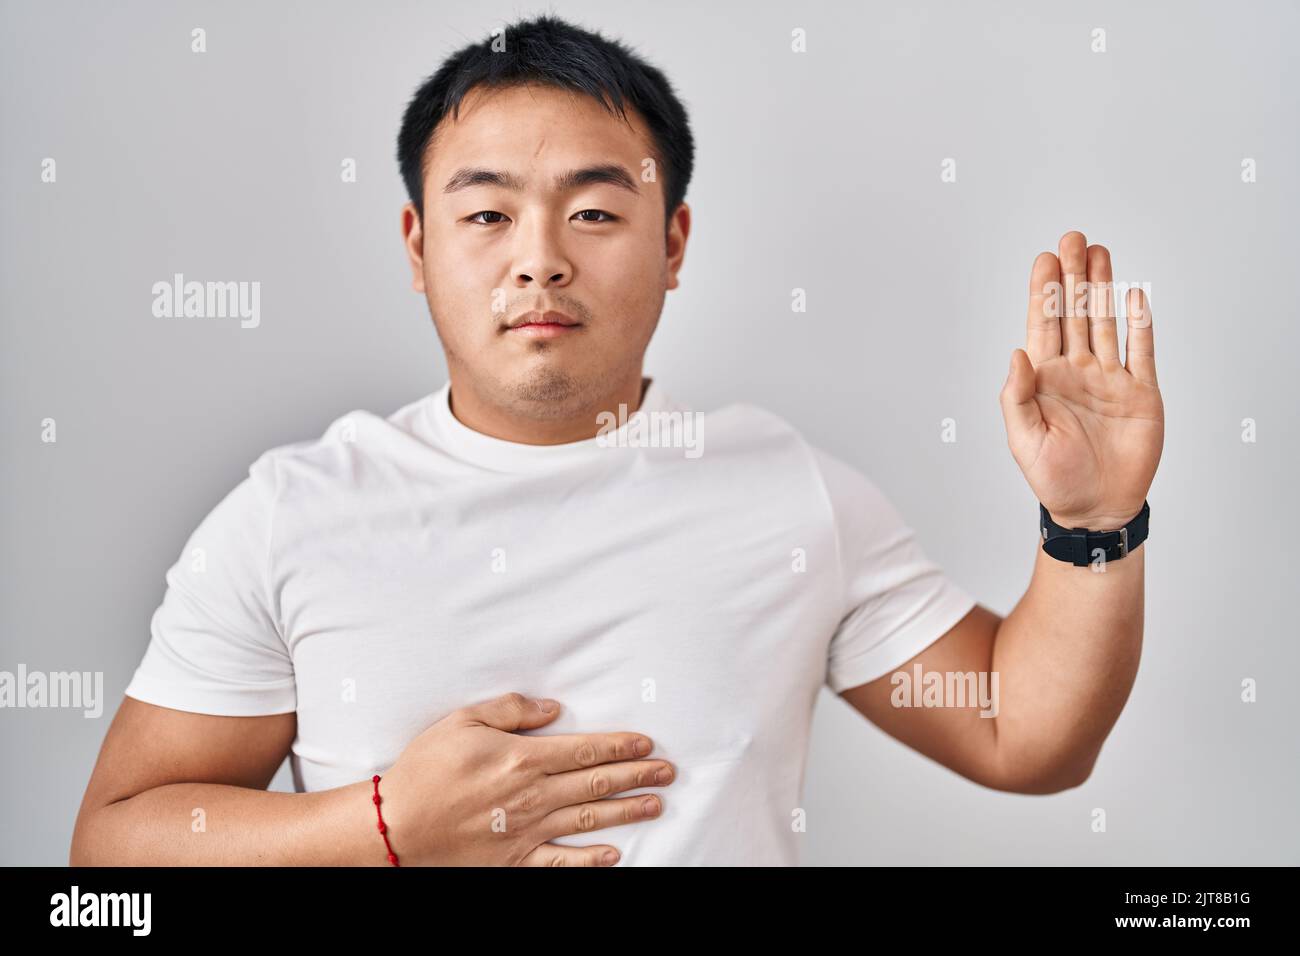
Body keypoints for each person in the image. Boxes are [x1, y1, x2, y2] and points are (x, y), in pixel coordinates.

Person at [70, 14, 1164, 867]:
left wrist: (1092, 521)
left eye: (593, 212)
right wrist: (383, 825)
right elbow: (110, 857)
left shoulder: (787, 494)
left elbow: (1026, 737)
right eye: (487, 214)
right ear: (417, 244)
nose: (538, 259)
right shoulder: (290, 513)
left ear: (673, 240)